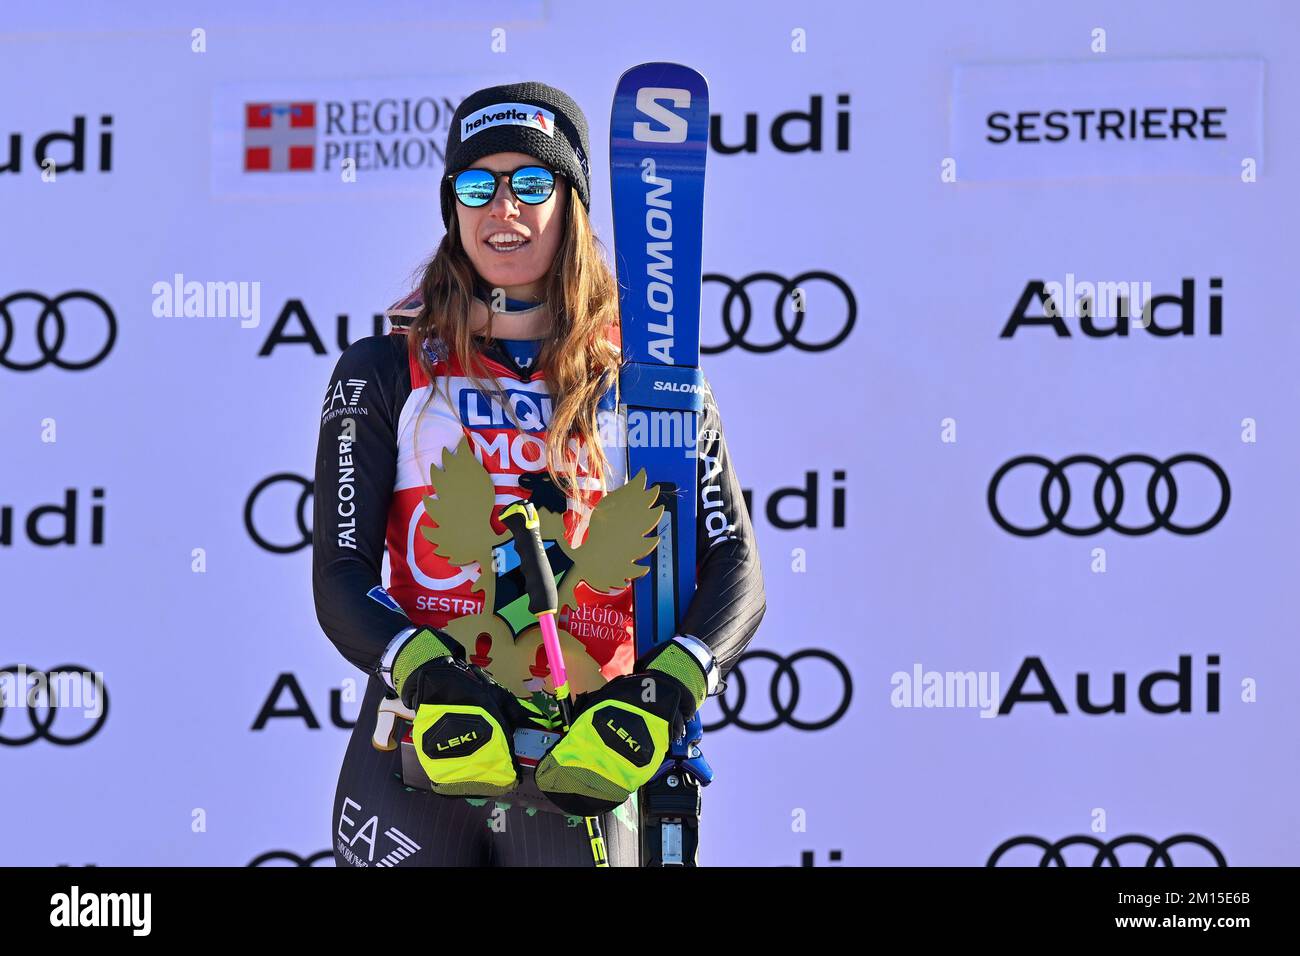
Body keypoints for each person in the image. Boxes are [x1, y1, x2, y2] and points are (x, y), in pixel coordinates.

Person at [313, 81, 765, 867]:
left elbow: (736, 568)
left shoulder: (643, 376)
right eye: (476, 184)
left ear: (575, 205)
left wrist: (664, 694)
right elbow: (341, 577)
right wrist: (429, 676)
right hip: (430, 747)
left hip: (589, 756)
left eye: (530, 184)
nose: (502, 208)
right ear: (451, 205)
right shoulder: (387, 370)